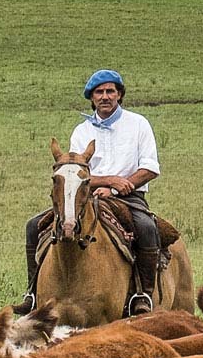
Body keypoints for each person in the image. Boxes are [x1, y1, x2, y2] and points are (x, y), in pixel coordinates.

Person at [23, 68, 164, 315]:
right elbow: (74, 172)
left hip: (129, 196)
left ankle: (142, 294)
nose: (105, 96)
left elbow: (150, 167)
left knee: (146, 228)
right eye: (99, 92)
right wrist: (106, 182)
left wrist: (120, 186)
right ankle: (33, 295)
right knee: (34, 226)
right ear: (92, 98)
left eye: (110, 91)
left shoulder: (138, 124)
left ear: (119, 95)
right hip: (85, 195)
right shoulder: (82, 131)